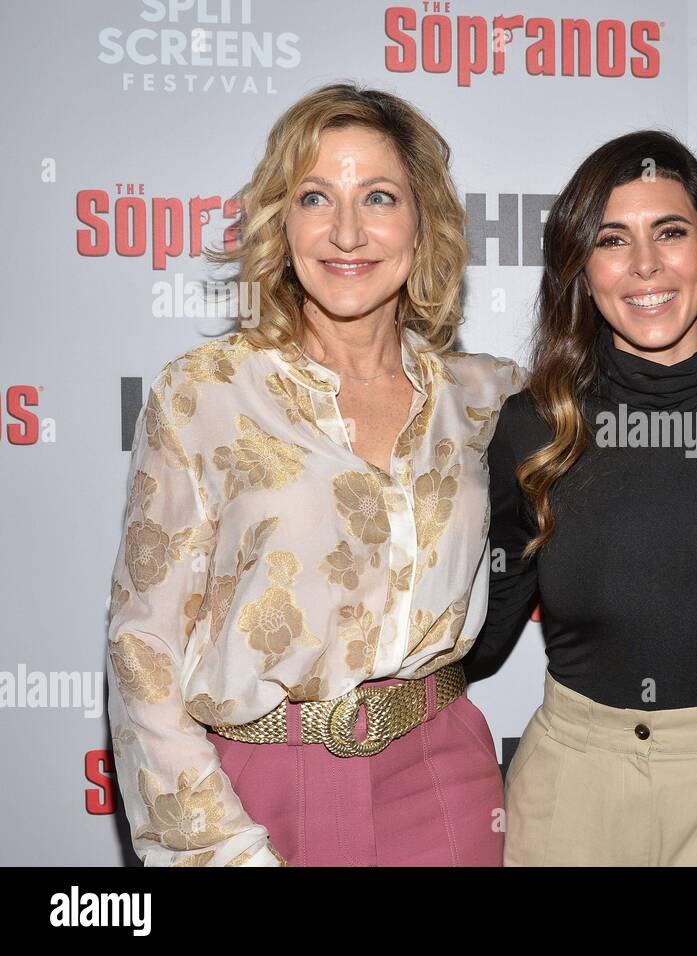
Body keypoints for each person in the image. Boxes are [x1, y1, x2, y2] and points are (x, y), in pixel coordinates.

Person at [105, 83, 522, 866]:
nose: (347, 231)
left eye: (378, 197)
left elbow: (627, 408)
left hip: (443, 778)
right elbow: (145, 649)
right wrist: (215, 847)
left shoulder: (480, 396)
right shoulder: (205, 392)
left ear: (421, 221)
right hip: (260, 787)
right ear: (282, 219)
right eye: (315, 197)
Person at [463, 130, 697, 865]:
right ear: (583, 267)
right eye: (612, 240)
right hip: (571, 792)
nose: (645, 265)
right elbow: (478, 642)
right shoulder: (532, 428)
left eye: (670, 232)